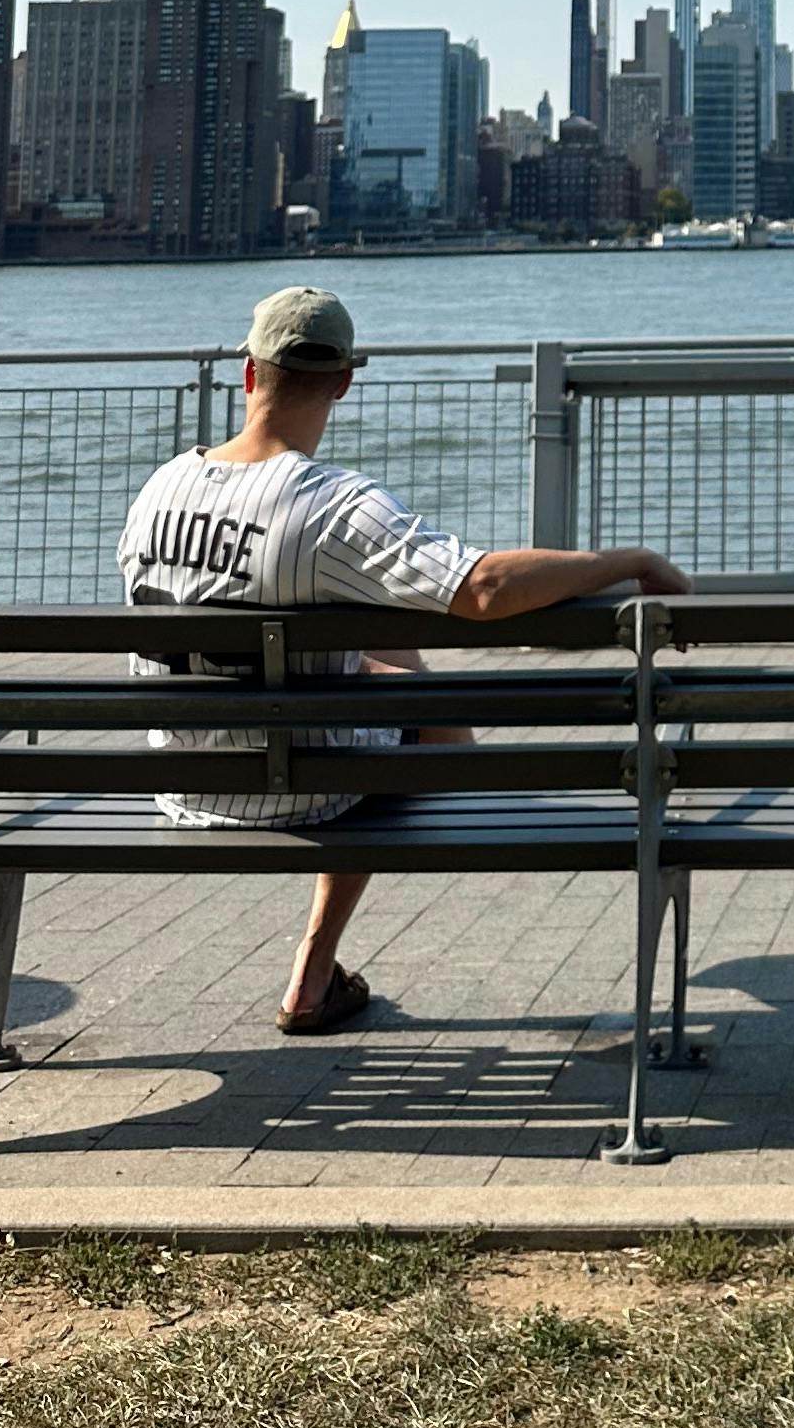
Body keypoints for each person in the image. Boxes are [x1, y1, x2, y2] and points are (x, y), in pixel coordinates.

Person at [117, 284, 688, 1035]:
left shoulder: (159, 486)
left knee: (383, 650)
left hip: (182, 776)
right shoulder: (331, 504)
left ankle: (325, 967)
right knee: (414, 702)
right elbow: (482, 588)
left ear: (249, 374)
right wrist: (627, 560)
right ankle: (331, 949)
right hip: (303, 792)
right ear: (345, 382)